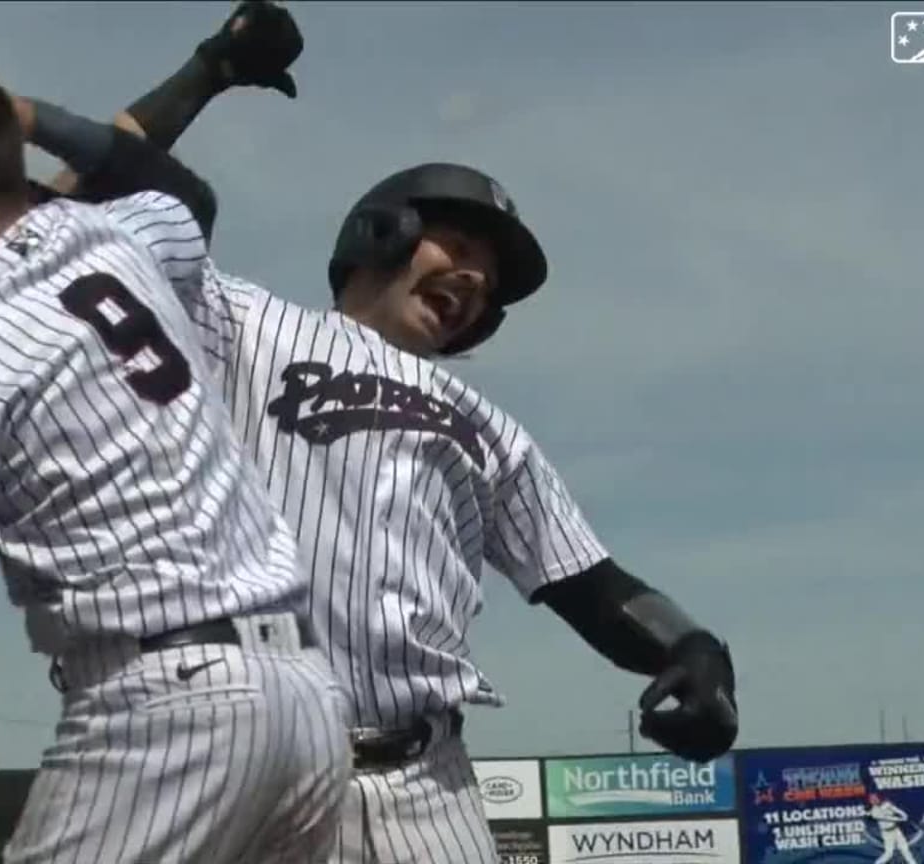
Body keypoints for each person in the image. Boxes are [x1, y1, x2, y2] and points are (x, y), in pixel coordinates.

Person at [60, 3, 741, 861]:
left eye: (488, 285)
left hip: (430, 786)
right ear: (381, 235)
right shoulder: (238, 324)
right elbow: (75, 214)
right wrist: (209, 72)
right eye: (454, 243)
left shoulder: (487, 427)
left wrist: (691, 645)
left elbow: (588, 583)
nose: (472, 279)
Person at [0, 63, 352, 864]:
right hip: (308, 700)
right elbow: (184, 197)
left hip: (168, 712)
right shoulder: (110, 237)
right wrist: (31, 115)